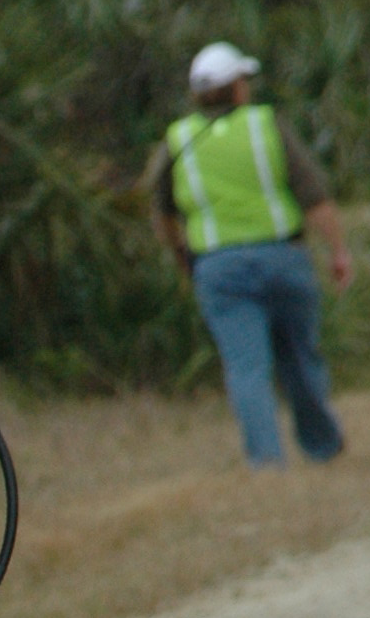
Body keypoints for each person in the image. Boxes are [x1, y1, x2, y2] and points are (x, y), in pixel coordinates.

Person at [147, 42, 354, 468]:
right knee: (300, 355)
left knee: (246, 367)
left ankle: (267, 462)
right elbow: (314, 196)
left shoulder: (177, 139)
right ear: (237, 88)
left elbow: (163, 216)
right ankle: (321, 446)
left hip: (219, 267)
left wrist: (182, 256)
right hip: (283, 255)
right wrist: (337, 250)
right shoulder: (266, 125)